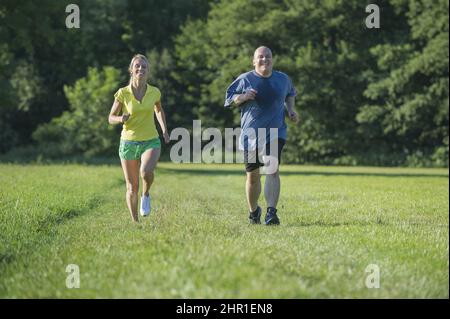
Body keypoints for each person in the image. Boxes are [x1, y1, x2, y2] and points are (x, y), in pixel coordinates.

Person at [224, 46, 299, 225]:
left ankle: (271, 212)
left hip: (276, 131)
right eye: (260, 57)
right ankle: (253, 211)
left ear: (272, 59)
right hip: (250, 134)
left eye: (268, 57)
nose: (264, 60)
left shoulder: (282, 79)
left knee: (272, 169)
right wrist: (244, 96)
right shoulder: (245, 79)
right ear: (254, 61)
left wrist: (291, 109)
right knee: (253, 175)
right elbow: (229, 99)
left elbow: (290, 93)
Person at [108, 54, 170, 222]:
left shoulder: (154, 92)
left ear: (148, 71)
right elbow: (110, 117)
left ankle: (146, 193)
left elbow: (158, 110)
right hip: (128, 142)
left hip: (151, 139)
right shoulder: (123, 93)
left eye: (144, 66)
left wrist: (164, 130)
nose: (140, 69)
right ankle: (135, 222)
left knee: (146, 171)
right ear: (131, 70)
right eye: (137, 66)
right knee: (131, 187)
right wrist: (121, 119)